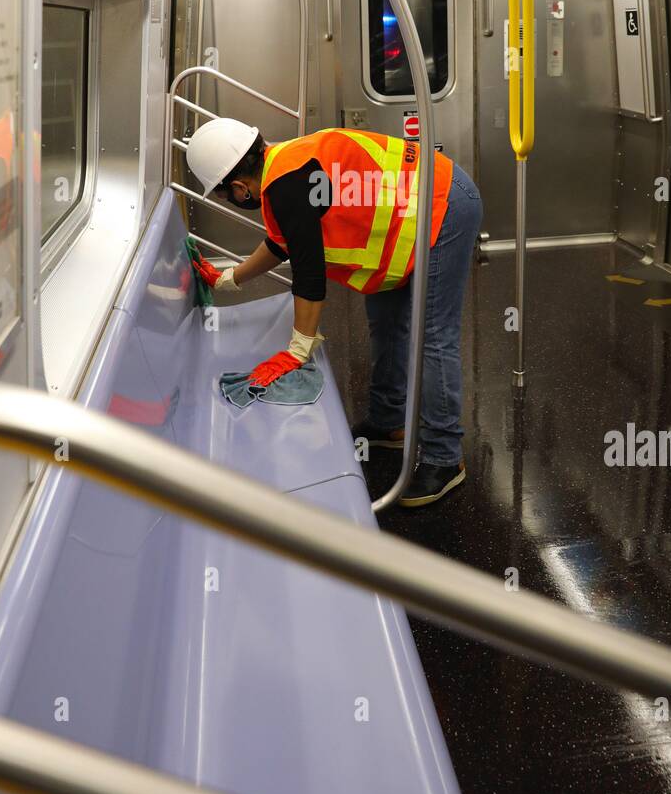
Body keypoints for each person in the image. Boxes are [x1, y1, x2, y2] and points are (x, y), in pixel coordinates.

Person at [186, 119, 482, 507]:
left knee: (432, 335)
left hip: (444, 205)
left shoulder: (286, 185)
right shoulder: (282, 166)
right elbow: (282, 244)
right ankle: (388, 420)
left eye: (225, 195)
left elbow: (309, 276)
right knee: (387, 321)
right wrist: (229, 280)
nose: (233, 199)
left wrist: (297, 349)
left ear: (239, 188)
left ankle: (445, 458)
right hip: (412, 209)